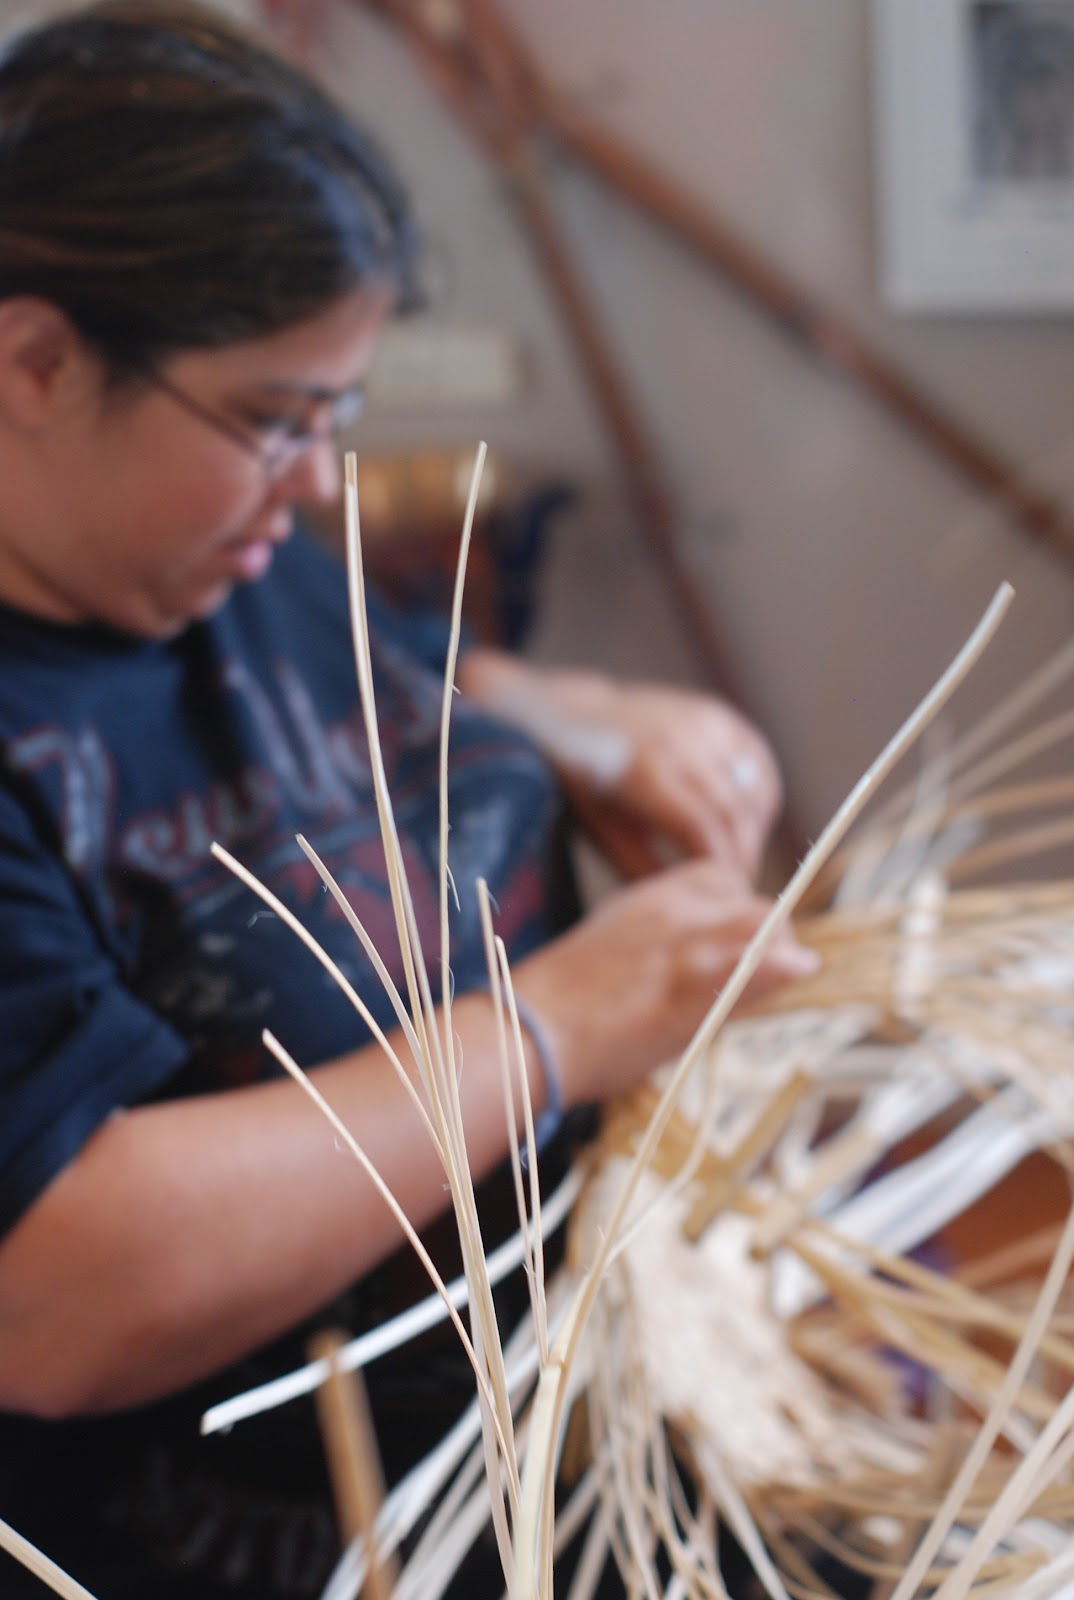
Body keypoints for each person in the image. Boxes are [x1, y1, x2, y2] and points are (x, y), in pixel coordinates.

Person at [0, 4, 816, 1596]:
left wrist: (592, 721)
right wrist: (552, 1030)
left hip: (556, 1464)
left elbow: (396, 680)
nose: (316, 482)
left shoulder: (200, 562)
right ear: (34, 358)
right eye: (271, 417)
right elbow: (57, 1287)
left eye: (337, 414)